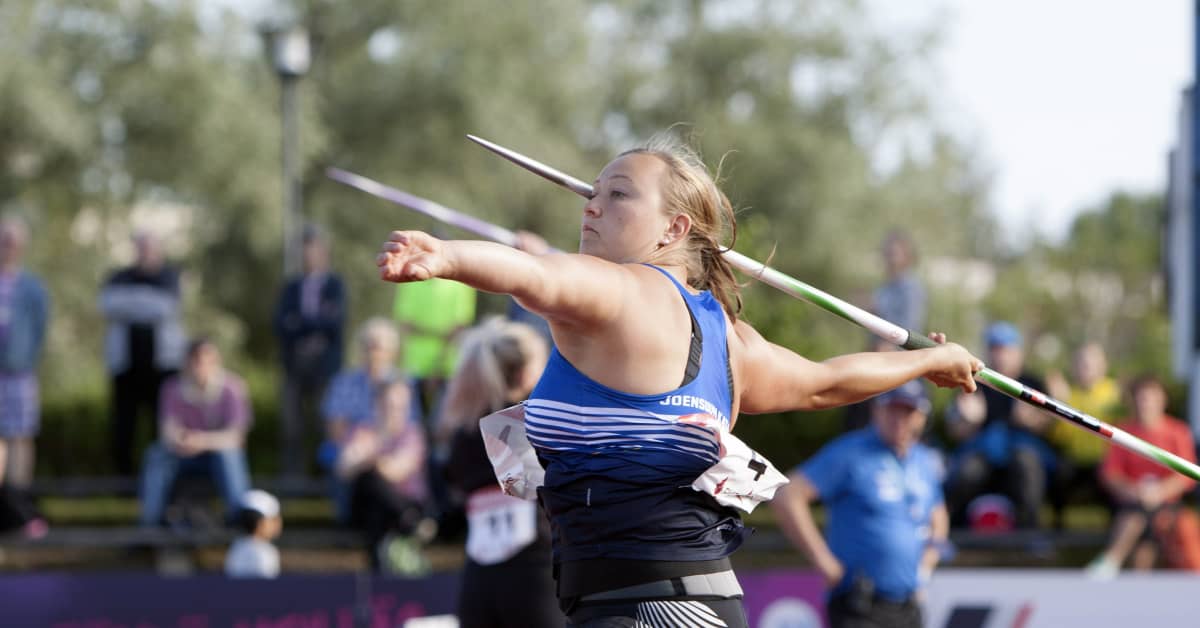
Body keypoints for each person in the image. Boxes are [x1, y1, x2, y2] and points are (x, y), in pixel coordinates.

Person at [375, 134, 982, 626]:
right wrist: (930, 361)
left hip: (653, 610)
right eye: (593, 191)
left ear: (673, 230)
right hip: (686, 603)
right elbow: (827, 381)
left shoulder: (618, 291)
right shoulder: (730, 339)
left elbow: (534, 275)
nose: (591, 205)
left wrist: (449, 258)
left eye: (618, 195)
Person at [772, 381, 947, 628]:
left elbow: (938, 514)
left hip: (908, 604)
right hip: (860, 603)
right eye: (892, 409)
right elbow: (788, 495)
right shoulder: (850, 452)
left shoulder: (923, 460)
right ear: (877, 410)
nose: (899, 419)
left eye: (907, 411)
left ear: (921, 417)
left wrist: (927, 565)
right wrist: (824, 561)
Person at [440, 317, 558, 628]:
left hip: (479, 579)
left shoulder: (465, 431)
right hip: (537, 576)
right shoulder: (533, 426)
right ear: (523, 372)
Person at [943, 322, 1056, 529]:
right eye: (995, 349)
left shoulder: (1034, 383)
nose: (1000, 356)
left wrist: (1031, 421)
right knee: (967, 471)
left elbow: (1050, 427)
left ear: (1018, 352)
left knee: (1027, 464)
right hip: (983, 452)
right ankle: (953, 531)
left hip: (1023, 452)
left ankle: (1031, 533)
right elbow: (955, 432)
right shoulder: (972, 382)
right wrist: (971, 422)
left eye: (1005, 349)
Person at [1086, 376, 1198, 578]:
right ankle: (1134, 579)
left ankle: (1112, 559)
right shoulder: (1122, 432)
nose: (1145, 403)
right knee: (1139, 516)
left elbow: (1186, 475)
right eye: (1141, 398)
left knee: (1148, 520)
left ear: (1163, 400)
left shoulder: (1178, 431)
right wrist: (1136, 492)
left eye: (1151, 398)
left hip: (1167, 504)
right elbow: (1111, 474)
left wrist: (1159, 493)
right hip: (1132, 501)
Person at [138, 338, 252, 527]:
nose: (201, 366)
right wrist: (183, 441)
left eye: (206, 360)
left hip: (217, 457)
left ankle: (240, 520)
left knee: (229, 456)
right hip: (183, 456)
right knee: (156, 454)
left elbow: (236, 437)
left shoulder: (233, 388)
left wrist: (202, 441)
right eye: (196, 360)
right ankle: (149, 525)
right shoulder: (172, 388)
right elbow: (167, 432)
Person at [100, 230, 186, 475]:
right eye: (141, 247)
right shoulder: (119, 276)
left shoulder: (170, 276)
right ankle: (123, 481)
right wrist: (148, 301)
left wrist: (130, 302)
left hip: (162, 366)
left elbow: (167, 308)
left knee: (161, 426)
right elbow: (107, 304)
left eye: (150, 247)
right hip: (126, 366)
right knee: (124, 426)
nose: (145, 252)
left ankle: (161, 478)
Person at [320, 317, 422, 522]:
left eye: (377, 347)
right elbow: (335, 429)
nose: (371, 353)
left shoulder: (404, 382)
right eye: (366, 346)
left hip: (395, 447)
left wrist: (380, 443)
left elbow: (408, 424)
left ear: (391, 352)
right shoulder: (344, 382)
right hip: (354, 448)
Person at [336, 376, 433, 574]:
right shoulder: (363, 430)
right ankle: (411, 522)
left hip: (404, 502)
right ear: (378, 404)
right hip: (380, 510)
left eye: (401, 406)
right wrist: (376, 450)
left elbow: (396, 471)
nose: (395, 412)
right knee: (368, 481)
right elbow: (343, 469)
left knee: (370, 479)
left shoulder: (412, 433)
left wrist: (367, 456)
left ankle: (382, 562)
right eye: (390, 405)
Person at [273, 224, 346, 479]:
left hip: (324, 366)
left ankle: (326, 478)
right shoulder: (291, 287)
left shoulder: (335, 286)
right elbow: (281, 324)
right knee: (292, 425)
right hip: (294, 365)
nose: (308, 255)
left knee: (324, 423)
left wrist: (301, 322)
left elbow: (334, 323)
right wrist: (313, 324)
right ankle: (293, 478)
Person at [0, 216, 49, 539]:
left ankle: (18, 508)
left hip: (19, 373)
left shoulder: (32, 287)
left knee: (20, 437)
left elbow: (41, 328)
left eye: (13, 241)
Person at [1045, 342, 1122, 528]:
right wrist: (1056, 404)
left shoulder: (1115, 393)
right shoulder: (1067, 394)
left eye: (1090, 364)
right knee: (1058, 476)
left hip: (1105, 462)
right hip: (1074, 461)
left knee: (1115, 481)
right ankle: (1057, 532)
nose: (1085, 369)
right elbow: (1059, 437)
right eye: (1081, 364)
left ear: (1103, 366)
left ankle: (1115, 534)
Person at [873, 229, 926, 333]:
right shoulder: (884, 286)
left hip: (897, 347)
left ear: (906, 256)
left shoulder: (911, 288)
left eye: (894, 254)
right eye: (888, 253)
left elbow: (909, 325)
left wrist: (888, 345)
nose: (890, 259)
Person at [225, 489, 282, 579]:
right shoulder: (266, 552)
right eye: (274, 519)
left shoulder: (236, 547)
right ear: (261, 523)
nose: (278, 524)